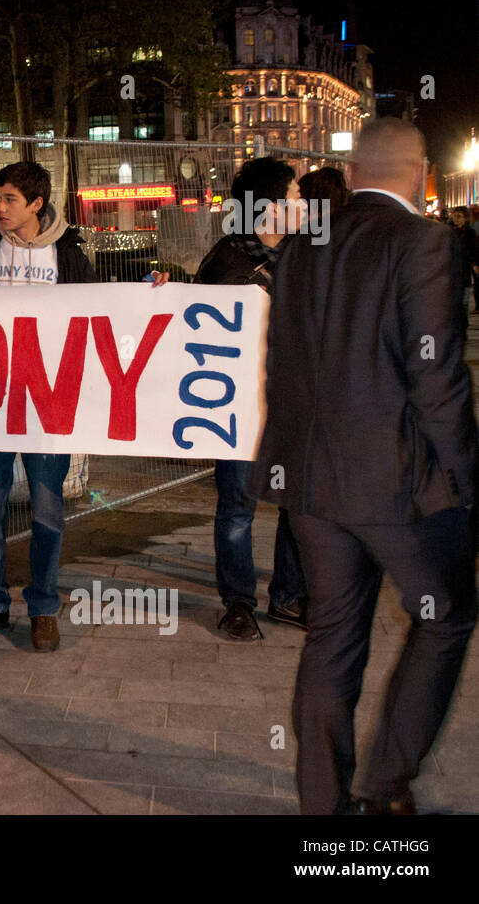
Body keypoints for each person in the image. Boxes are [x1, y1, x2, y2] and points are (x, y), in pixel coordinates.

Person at [252, 118, 477, 815]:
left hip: (314, 486)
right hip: (397, 485)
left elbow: (281, 365)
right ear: (420, 175)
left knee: (332, 635)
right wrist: (468, 478)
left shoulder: (302, 249)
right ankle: (384, 785)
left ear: (351, 177)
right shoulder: (426, 242)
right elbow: (437, 382)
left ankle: (323, 804)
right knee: (446, 618)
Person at [0, 161, 166, 651]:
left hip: (50, 409)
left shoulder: (69, 255)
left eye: (8, 200)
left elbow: (102, 309)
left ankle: (43, 607)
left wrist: (148, 294)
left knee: (47, 513)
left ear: (36, 204)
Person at [194, 157, 308, 640]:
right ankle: (238, 603)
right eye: (296, 196)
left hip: (298, 405)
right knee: (238, 507)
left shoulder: (312, 255)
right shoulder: (227, 259)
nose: (304, 204)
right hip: (238, 408)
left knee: (298, 506)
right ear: (269, 206)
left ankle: (288, 597)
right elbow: (189, 320)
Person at [448, 205, 478, 315]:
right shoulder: (449, 231)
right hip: (451, 270)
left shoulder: (470, 232)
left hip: (464, 269)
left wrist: (473, 263)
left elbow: (473, 250)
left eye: (459, 216)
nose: (456, 219)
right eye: (455, 216)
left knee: (464, 302)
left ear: (465, 218)